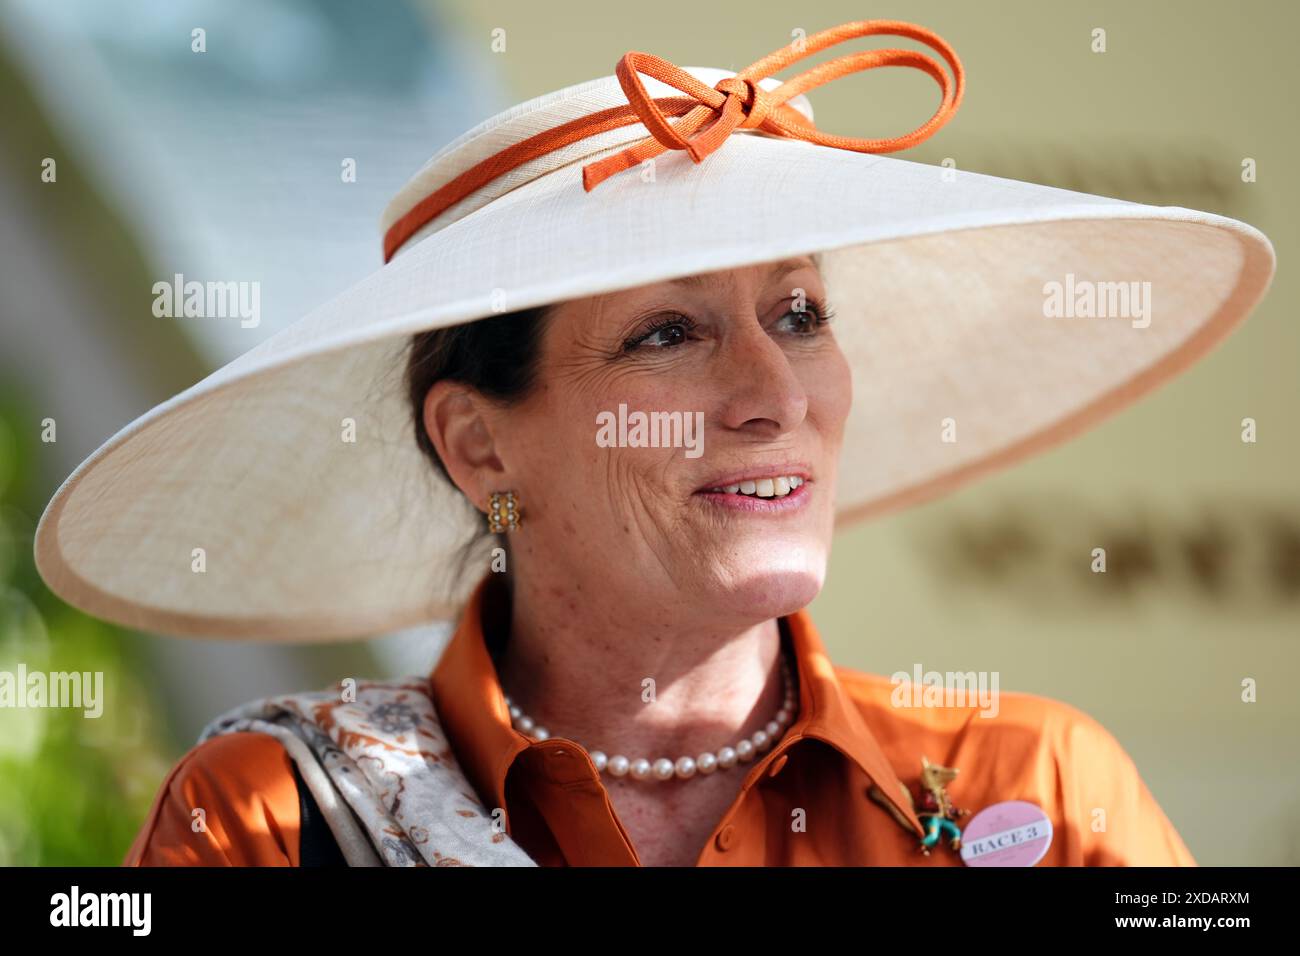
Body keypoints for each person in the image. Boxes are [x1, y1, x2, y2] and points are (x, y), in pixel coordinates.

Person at [38, 20, 1271, 866]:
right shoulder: (276, 816)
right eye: (667, 332)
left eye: (797, 314)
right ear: (478, 445)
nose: (770, 390)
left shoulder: (1037, 789)